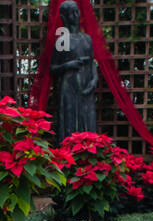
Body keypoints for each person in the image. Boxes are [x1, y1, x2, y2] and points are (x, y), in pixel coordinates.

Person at [51, 0, 98, 142]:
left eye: (77, 11)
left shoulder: (87, 39)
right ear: (64, 17)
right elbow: (53, 68)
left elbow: (92, 62)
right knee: (69, 122)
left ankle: (89, 158)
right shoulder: (62, 41)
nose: (76, 15)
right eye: (72, 13)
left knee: (88, 121)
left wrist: (94, 80)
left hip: (86, 85)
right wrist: (68, 65)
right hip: (69, 86)